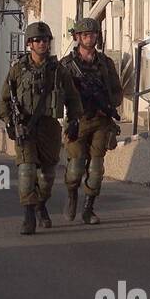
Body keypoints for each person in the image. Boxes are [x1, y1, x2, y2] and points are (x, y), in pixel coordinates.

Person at [0, 21, 82, 235]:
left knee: (47, 177)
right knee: (26, 170)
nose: (42, 44)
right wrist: (9, 121)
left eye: (45, 40)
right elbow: (5, 101)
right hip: (25, 128)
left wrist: (74, 121)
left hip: (49, 128)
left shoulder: (58, 71)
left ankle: (40, 204)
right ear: (29, 44)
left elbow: (73, 99)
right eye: (38, 40)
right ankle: (28, 215)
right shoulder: (18, 70)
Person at [60, 17, 124, 225]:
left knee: (96, 170)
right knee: (75, 169)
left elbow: (117, 91)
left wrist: (107, 104)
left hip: (100, 121)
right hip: (77, 121)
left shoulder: (105, 63)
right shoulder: (67, 65)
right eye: (86, 35)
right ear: (78, 37)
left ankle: (88, 208)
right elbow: (57, 92)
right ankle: (72, 198)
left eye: (94, 34)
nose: (90, 38)